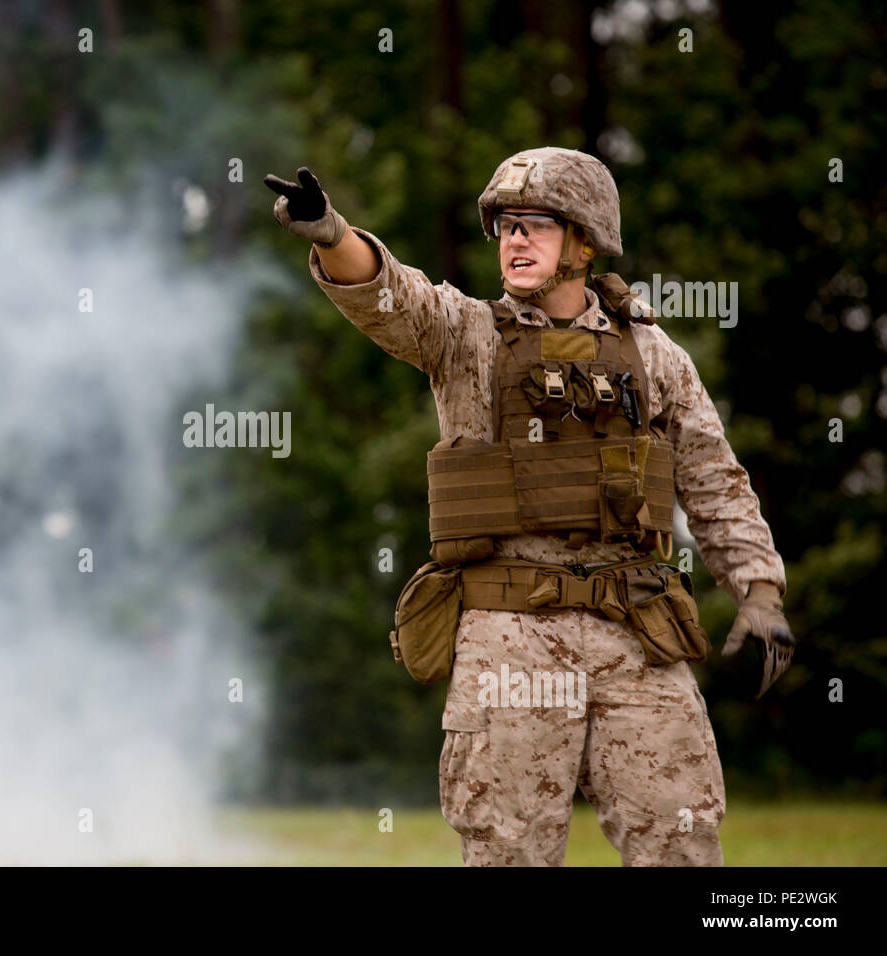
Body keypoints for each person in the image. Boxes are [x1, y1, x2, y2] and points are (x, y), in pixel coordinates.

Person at [264, 149, 795, 866]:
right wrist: (333, 234)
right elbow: (393, 295)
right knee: (507, 853)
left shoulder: (654, 356)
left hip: (636, 633)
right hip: (510, 637)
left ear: (584, 241)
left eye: (536, 225)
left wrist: (760, 595)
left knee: (681, 844)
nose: (515, 239)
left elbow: (714, 481)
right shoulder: (466, 334)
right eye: (506, 226)